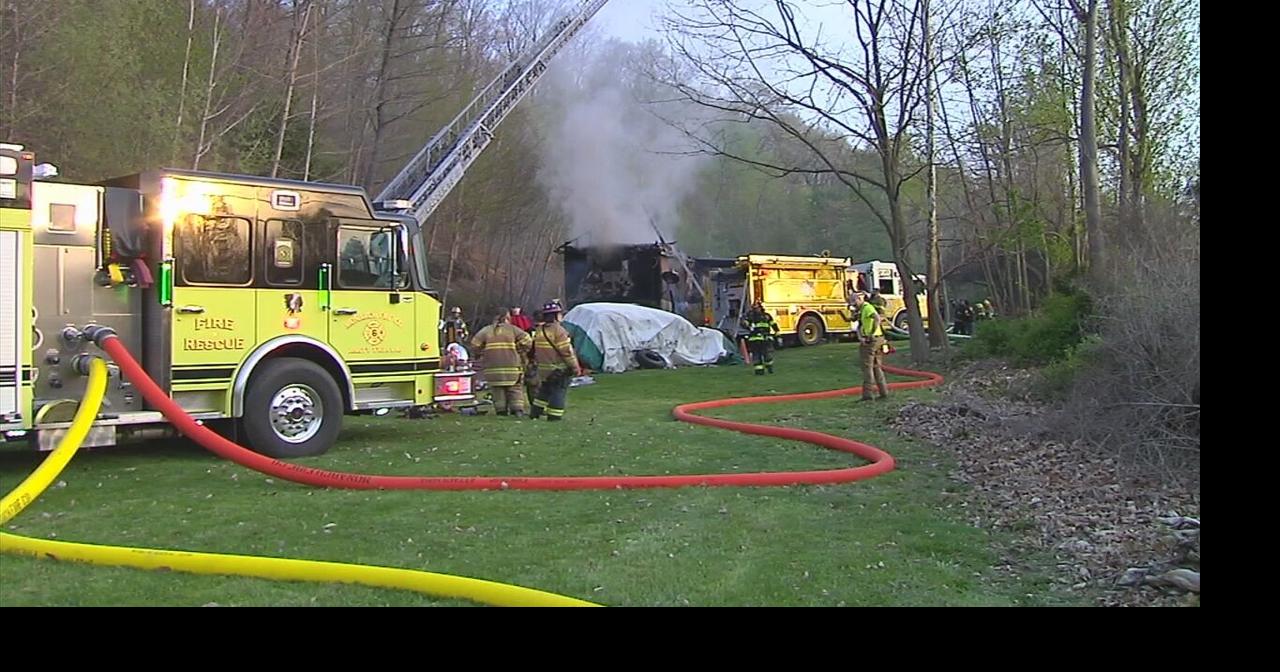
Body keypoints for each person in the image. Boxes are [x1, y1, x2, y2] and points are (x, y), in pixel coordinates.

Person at [471, 310, 533, 417]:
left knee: (497, 389)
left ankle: (501, 411)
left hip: (492, 368)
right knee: (515, 389)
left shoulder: (486, 331)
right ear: (507, 317)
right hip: (512, 366)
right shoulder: (513, 330)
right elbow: (527, 340)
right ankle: (517, 410)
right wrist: (519, 349)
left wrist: (483, 352)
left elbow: (475, 344)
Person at [528, 301, 581, 421]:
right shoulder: (559, 331)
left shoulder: (539, 330)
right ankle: (554, 416)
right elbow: (566, 352)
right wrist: (575, 367)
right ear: (556, 315)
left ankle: (535, 413)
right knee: (559, 391)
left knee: (544, 391)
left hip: (543, 369)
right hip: (558, 369)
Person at [853, 292, 889, 401]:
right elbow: (860, 325)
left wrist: (870, 334)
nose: (853, 305)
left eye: (854, 302)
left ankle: (867, 395)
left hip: (872, 341)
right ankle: (883, 392)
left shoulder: (867, 308)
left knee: (867, 367)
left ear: (860, 299)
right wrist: (860, 337)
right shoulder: (863, 310)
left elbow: (877, 318)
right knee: (877, 366)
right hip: (878, 339)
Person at [740, 301, 779, 375]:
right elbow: (745, 324)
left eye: (757, 307)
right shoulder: (750, 316)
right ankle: (759, 370)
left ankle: (769, 367)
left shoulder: (766, 316)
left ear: (760, 307)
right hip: (754, 340)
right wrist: (745, 323)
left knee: (767, 355)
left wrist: (778, 334)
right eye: (754, 308)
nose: (756, 309)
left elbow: (773, 325)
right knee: (756, 356)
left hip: (765, 339)